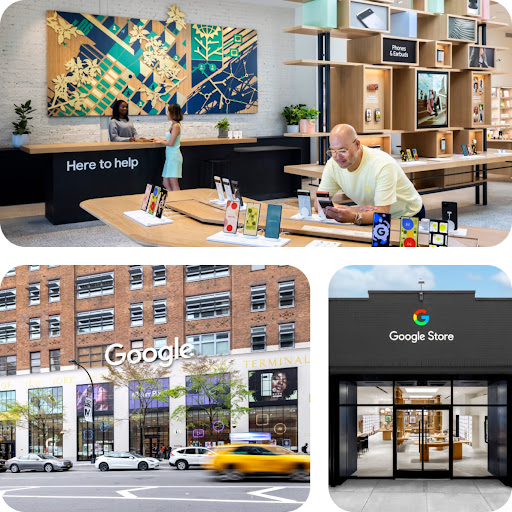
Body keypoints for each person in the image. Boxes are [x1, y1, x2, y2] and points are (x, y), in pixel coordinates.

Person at [318, 124, 424, 225]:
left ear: (357, 145)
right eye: (333, 151)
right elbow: (320, 201)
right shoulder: (332, 164)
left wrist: (353, 216)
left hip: (406, 214)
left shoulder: (383, 164)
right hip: (369, 214)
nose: (337, 157)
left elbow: (382, 212)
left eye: (343, 150)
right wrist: (351, 209)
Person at [153, 103, 183, 191]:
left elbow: (171, 143)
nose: (167, 114)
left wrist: (160, 141)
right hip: (170, 157)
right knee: (165, 183)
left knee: (174, 183)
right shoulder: (173, 125)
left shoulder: (176, 126)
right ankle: (171, 200)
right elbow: (169, 138)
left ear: (172, 113)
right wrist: (158, 139)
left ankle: (177, 202)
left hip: (174, 157)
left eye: (168, 112)